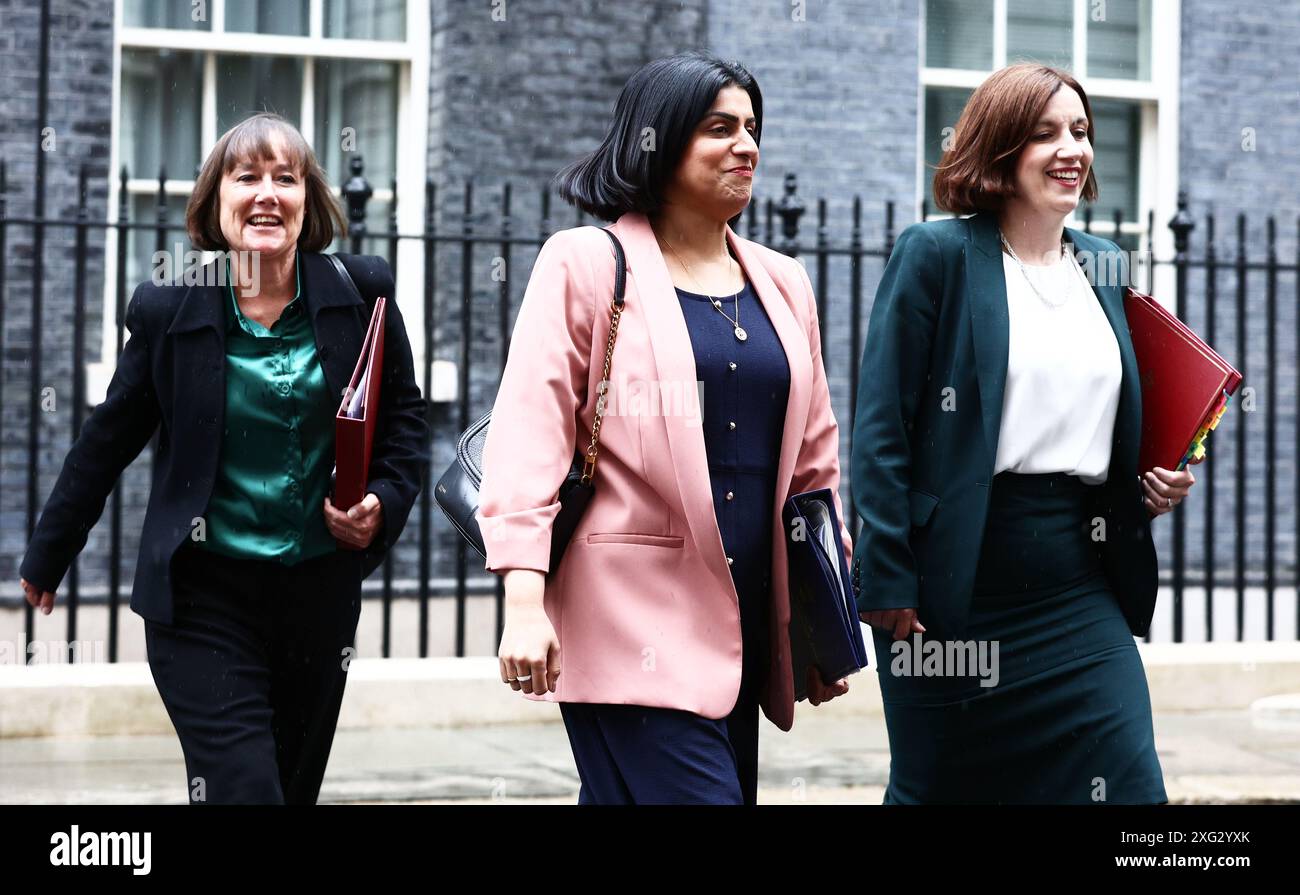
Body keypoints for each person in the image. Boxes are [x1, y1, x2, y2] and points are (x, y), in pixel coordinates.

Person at [19, 112, 428, 804]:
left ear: (309, 201)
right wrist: (49, 551)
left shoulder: (362, 294)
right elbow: (107, 438)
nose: (267, 192)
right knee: (245, 788)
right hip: (201, 597)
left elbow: (405, 426)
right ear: (215, 200)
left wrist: (382, 504)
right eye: (247, 177)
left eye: (285, 177)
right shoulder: (169, 307)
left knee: (284, 789)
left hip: (317, 598)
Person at [477, 51, 851, 805]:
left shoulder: (783, 282)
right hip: (628, 619)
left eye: (753, 127)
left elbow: (813, 469)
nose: (746, 144)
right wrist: (523, 600)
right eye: (720, 127)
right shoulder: (586, 262)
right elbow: (530, 436)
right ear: (659, 137)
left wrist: (820, 619)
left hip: (743, 628)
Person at [851, 62, 1199, 805]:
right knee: (938, 788)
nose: (1071, 148)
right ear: (1000, 150)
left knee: (1132, 791)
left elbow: (1105, 421)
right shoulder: (936, 254)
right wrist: (887, 580)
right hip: (951, 589)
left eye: (1080, 131)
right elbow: (882, 429)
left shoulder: (1104, 265)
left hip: (1076, 584)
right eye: (1045, 133)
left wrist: (1151, 481)